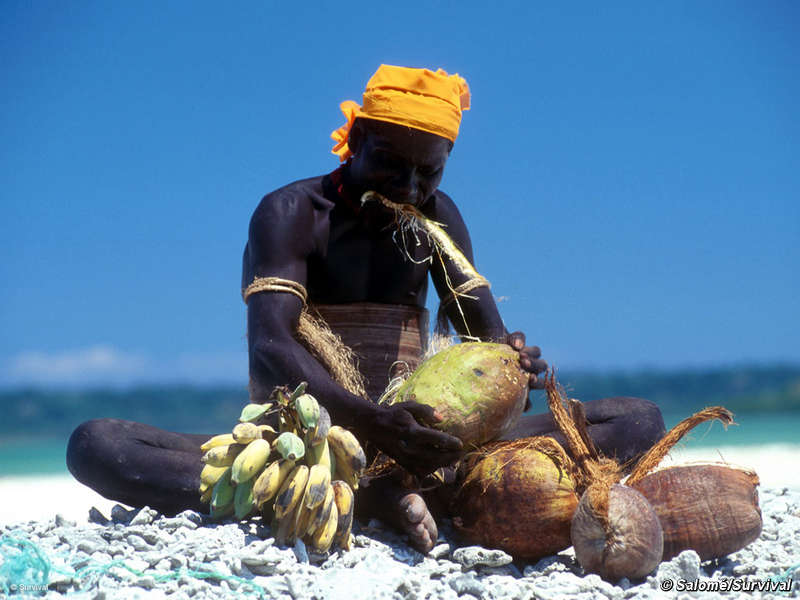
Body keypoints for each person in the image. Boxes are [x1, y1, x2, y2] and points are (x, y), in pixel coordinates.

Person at [67, 65, 665, 553]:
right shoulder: (292, 214)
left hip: (421, 441)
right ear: (354, 140)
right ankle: (370, 490)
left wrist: (516, 368)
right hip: (306, 442)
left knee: (638, 421)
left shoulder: (438, 218)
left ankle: (364, 494)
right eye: (389, 163)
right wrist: (373, 423)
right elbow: (272, 347)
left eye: (428, 172)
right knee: (96, 444)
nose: (408, 188)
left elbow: (488, 341)